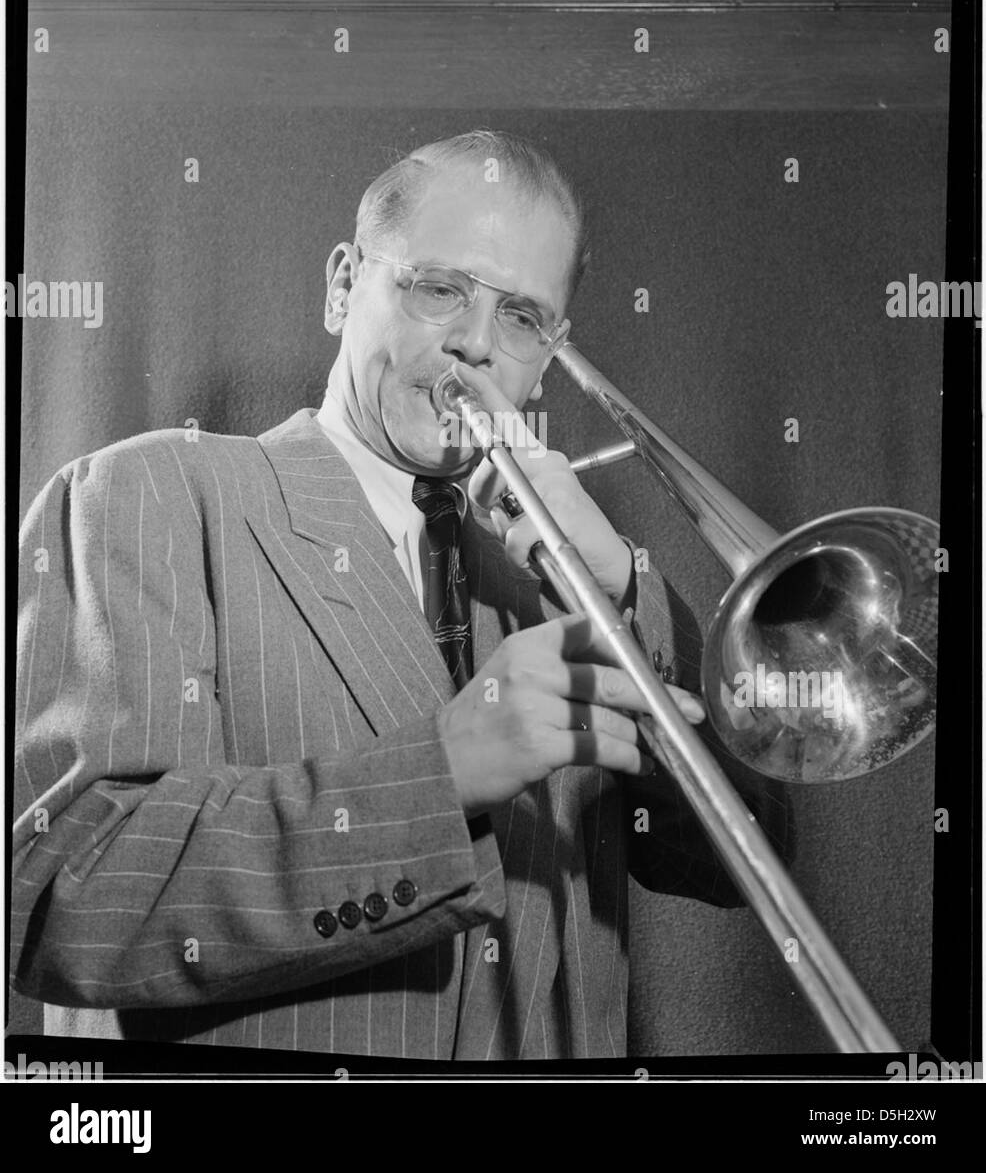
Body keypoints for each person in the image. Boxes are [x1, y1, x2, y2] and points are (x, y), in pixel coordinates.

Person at [13, 130, 784, 1062]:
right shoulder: (153, 494)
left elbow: (753, 857)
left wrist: (623, 582)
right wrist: (441, 774)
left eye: (523, 318)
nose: (474, 343)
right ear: (344, 286)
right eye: (440, 288)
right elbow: (65, 897)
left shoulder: (564, 578)